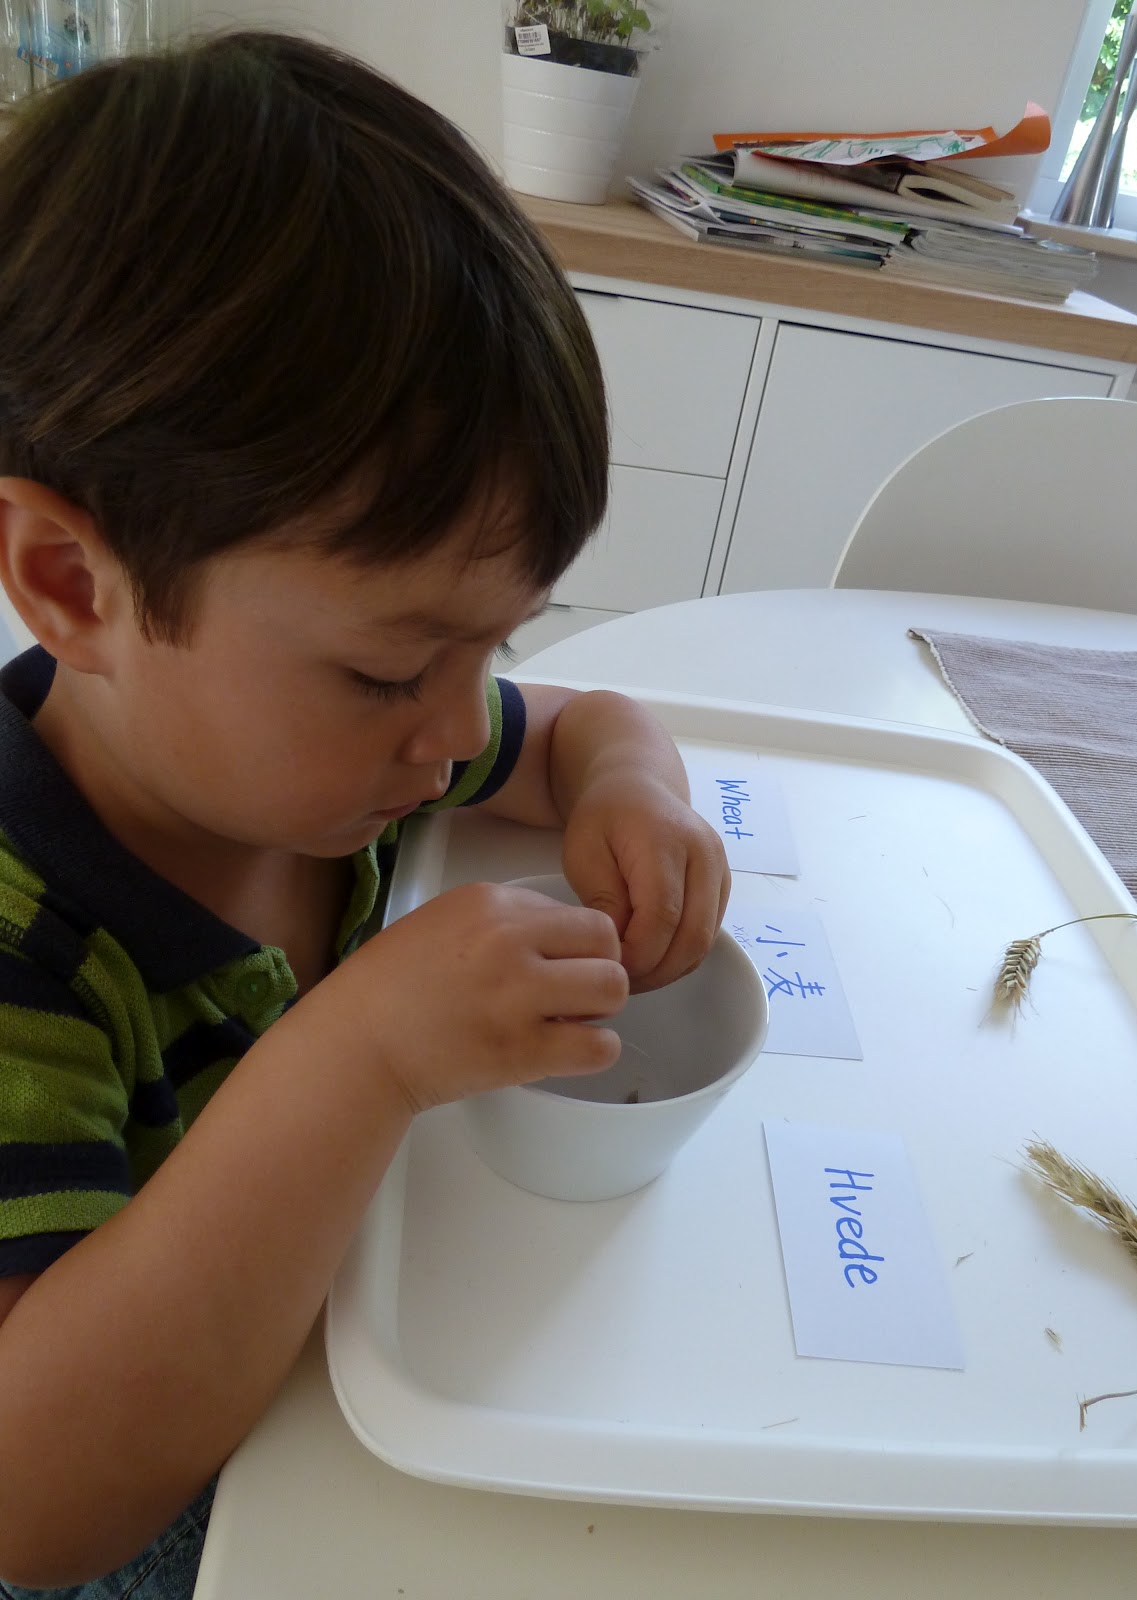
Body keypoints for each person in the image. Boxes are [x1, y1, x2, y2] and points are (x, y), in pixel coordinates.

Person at [0, 31, 729, 1597]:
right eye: (397, 664)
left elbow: (588, 729)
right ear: (76, 587)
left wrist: (631, 789)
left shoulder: (339, 748)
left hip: (373, 1364)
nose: (462, 730)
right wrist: (362, 1055)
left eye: (498, 646)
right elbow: (34, 1505)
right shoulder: (23, 945)